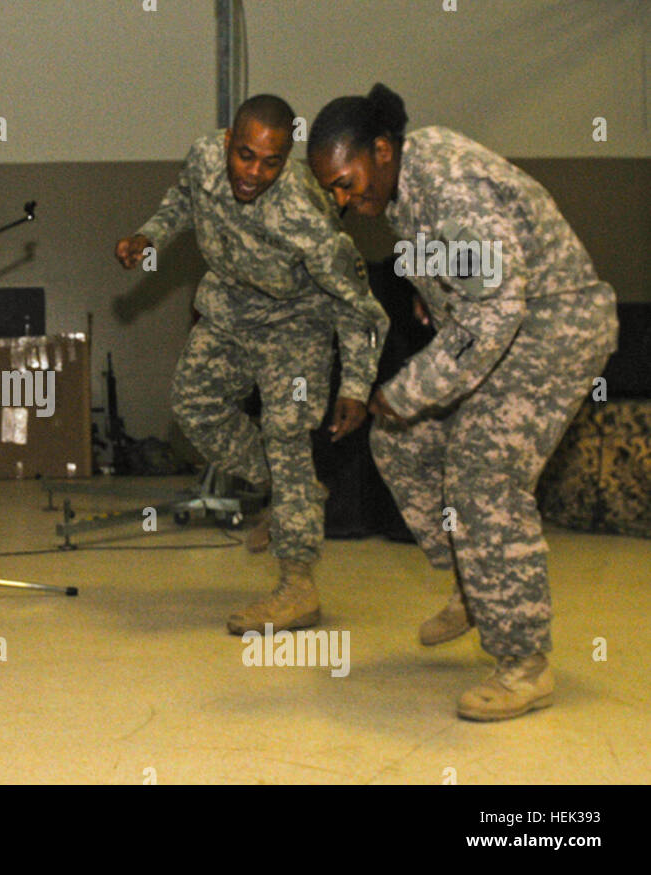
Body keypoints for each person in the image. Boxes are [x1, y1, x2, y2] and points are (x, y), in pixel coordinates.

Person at [307, 84, 619, 721]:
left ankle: (525, 664)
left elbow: (501, 307)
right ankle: (478, 587)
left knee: (483, 474)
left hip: (554, 328)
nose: (343, 199)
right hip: (508, 326)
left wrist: (408, 389)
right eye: (331, 191)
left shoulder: (447, 183)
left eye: (345, 181)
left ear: (383, 149)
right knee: (399, 439)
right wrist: (436, 296)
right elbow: (470, 278)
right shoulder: (401, 189)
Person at [116, 95, 389, 634]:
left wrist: (355, 385)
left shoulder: (307, 217)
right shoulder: (202, 158)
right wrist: (150, 235)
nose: (254, 173)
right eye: (244, 156)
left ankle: (297, 587)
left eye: (271, 162)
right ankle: (296, 489)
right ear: (226, 143)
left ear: (287, 157)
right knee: (192, 409)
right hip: (231, 308)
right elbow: (182, 200)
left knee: (288, 436)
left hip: (297, 324)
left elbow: (361, 308)